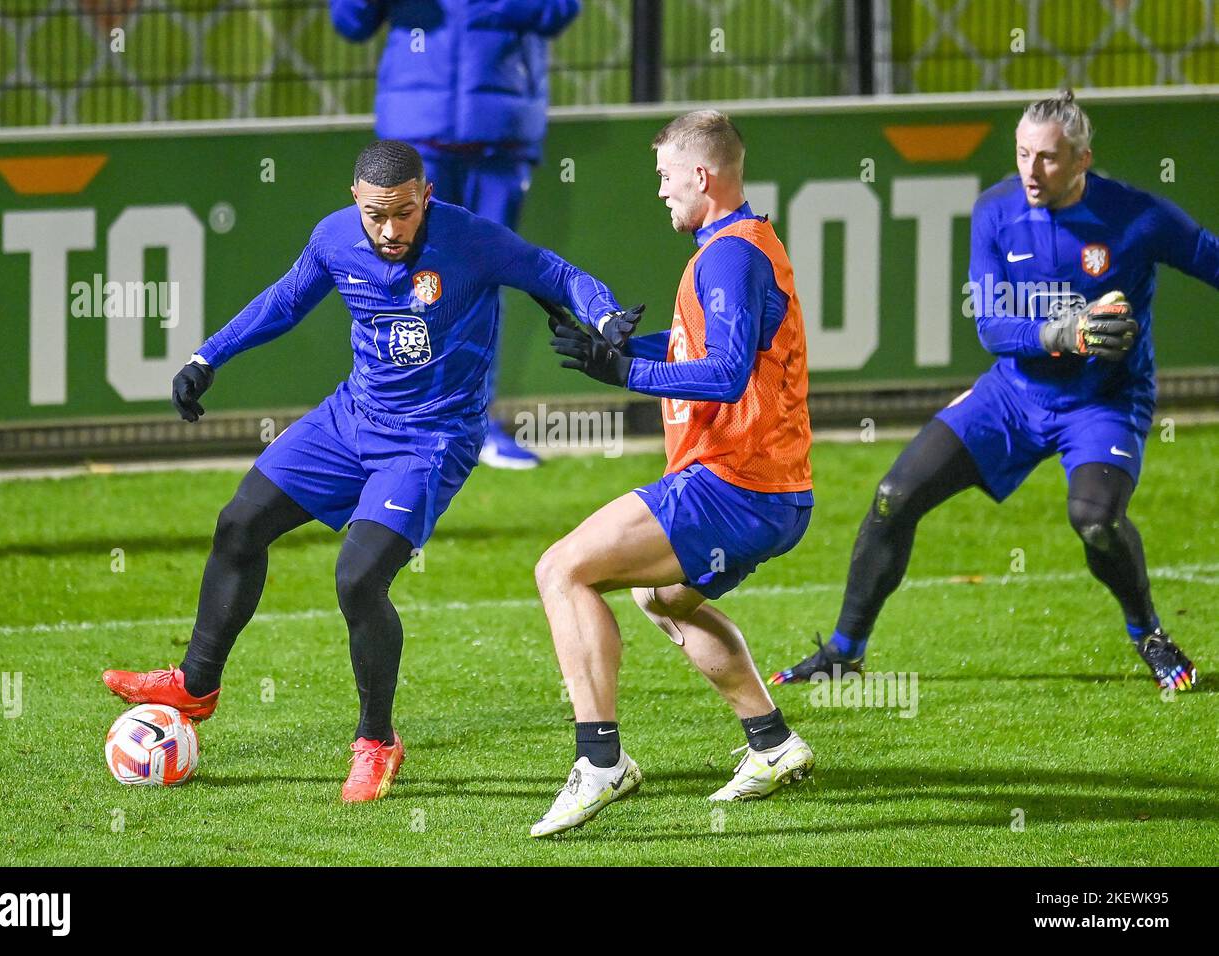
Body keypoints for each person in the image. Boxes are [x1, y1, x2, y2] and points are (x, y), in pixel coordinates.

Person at [102, 140, 637, 802]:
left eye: (404, 214)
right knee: (240, 523)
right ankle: (196, 682)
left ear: (426, 198)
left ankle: (377, 741)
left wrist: (605, 314)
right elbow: (285, 300)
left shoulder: (469, 240)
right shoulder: (334, 238)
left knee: (358, 578)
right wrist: (207, 357)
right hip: (350, 419)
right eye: (377, 215)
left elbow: (555, 273)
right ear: (356, 198)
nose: (390, 231)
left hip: (430, 441)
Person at [772, 90, 1217, 692]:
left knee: (1095, 520)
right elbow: (990, 326)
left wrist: (1084, 339)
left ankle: (1149, 635)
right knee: (892, 496)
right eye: (1023, 154)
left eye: (1050, 158)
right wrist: (1066, 330)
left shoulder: (1138, 217)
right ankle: (846, 652)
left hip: (1102, 403)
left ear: (1084, 159)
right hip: (1012, 395)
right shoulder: (996, 210)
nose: (1032, 171)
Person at [528, 111, 815, 837]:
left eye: (664, 177)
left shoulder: (727, 256)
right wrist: (620, 341)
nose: (659, 191)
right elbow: (714, 347)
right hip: (772, 490)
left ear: (701, 175)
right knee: (665, 597)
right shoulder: (741, 245)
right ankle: (773, 745)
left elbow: (721, 375)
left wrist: (623, 369)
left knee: (563, 570)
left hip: (733, 482)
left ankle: (600, 763)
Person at [330, 0, 582, 469]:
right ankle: (392, 421)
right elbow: (349, 21)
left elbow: (559, 11)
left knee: (482, 282)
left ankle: (473, 423)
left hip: (499, 136)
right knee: (401, 279)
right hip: (418, 138)